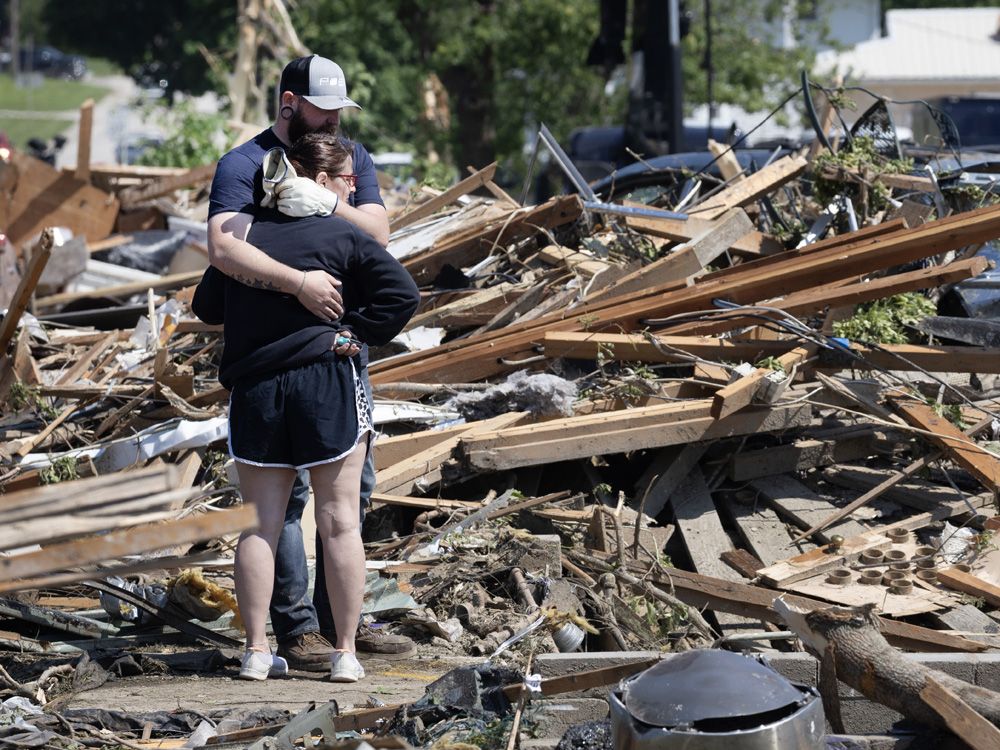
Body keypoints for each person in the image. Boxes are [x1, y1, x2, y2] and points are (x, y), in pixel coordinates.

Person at [207, 54, 416, 671]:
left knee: (327, 503)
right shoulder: (242, 164)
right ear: (290, 104)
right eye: (323, 113)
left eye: (340, 116)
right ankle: (300, 631)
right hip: (304, 364)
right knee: (305, 510)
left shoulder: (346, 157)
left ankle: (325, 628)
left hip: (322, 357)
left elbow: (374, 231)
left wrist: (324, 204)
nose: (334, 129)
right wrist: (300, 282)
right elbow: (223, 248)